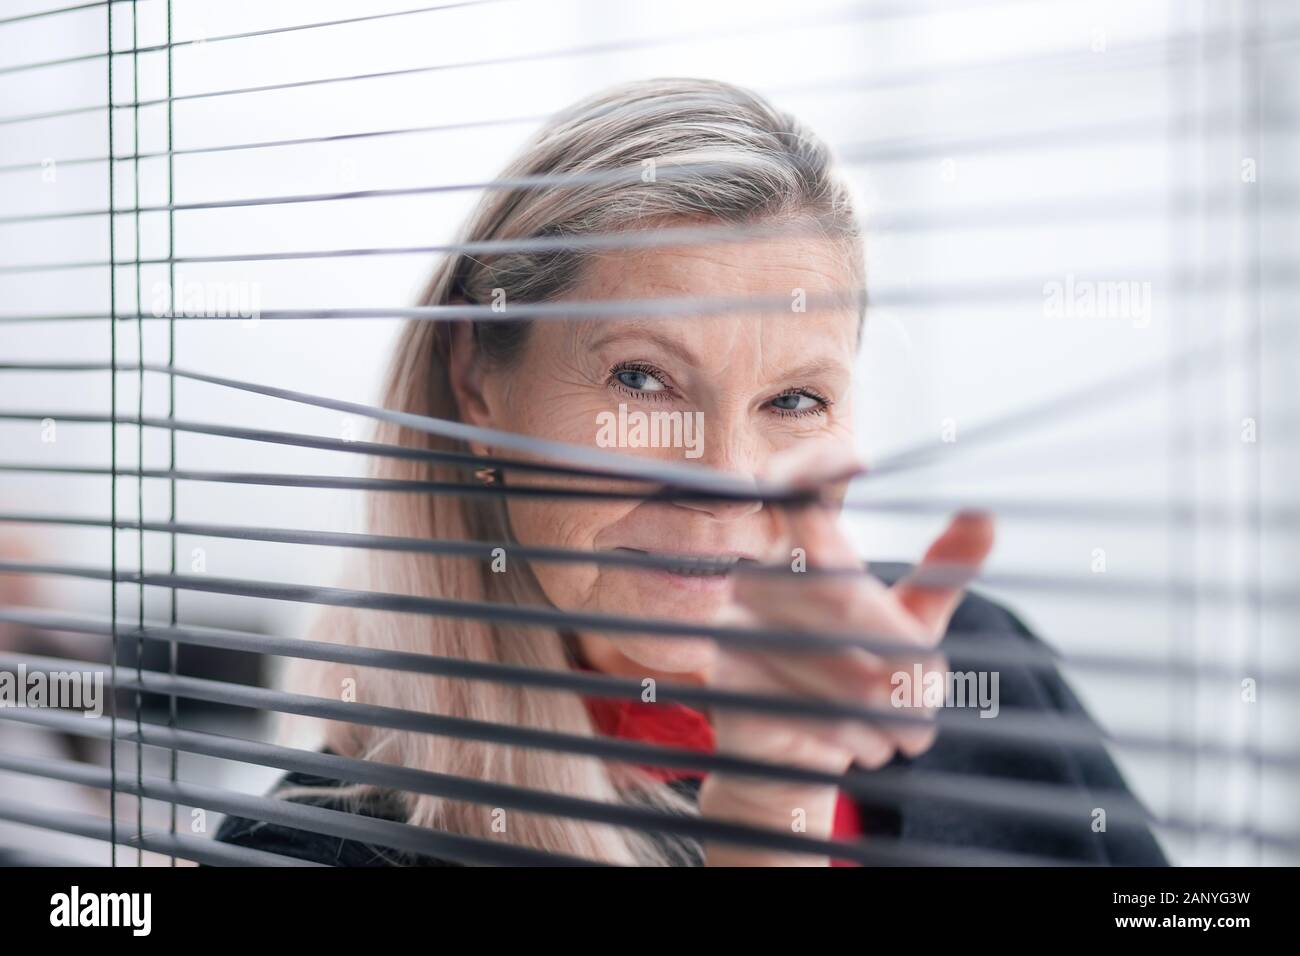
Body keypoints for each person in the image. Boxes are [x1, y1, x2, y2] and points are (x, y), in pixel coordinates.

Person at [216, 77, 1166, 867]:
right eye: (643, 379)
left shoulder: (983, 667)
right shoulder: (316, 849)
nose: (724, 480)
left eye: (793, 401)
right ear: (477, 380)